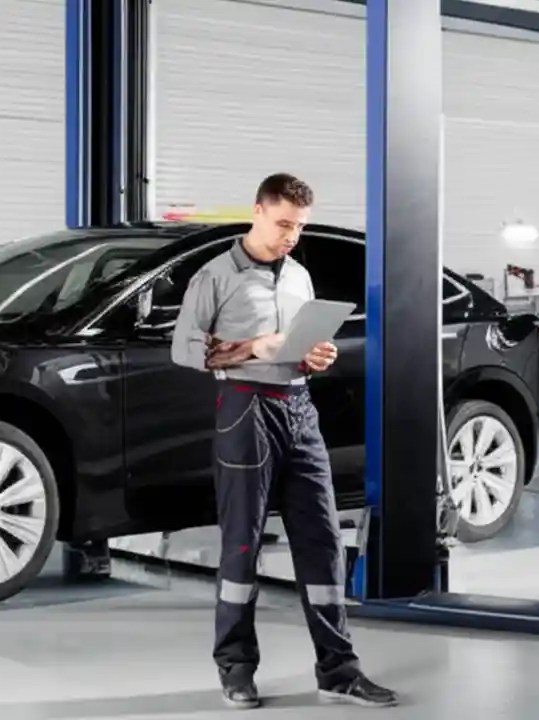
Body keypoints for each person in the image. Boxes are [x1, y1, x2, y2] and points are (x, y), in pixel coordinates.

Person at [170, 173, 399, 709]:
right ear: (257, 212)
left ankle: (338, 670)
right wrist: (255, 347)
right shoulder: (215, 276)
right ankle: (236, 668)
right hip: (244, 408)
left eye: (299, 227)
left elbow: (297, 347)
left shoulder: (299, 276)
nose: (291, 236)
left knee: (322, 540)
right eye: (282, 224)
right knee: (242, 543)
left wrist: (315, 356)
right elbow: (183, 349)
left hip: (299, 408)